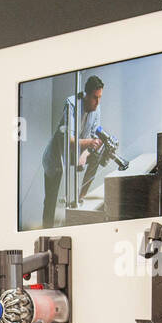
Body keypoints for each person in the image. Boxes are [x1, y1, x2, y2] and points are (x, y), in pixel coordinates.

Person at [41, 74, 105, 228]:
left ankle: (80, 197)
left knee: (98, 154)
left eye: (100, 97)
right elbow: (69, 142)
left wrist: (85, 154)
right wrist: (90, 143)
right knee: (50, 199)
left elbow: (94, 138)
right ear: (86, 95)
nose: (97, 102)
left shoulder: (97, 109)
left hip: (76, 152)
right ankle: (45, 231)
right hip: (57, 155)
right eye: (95, 98)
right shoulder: (71, 104)